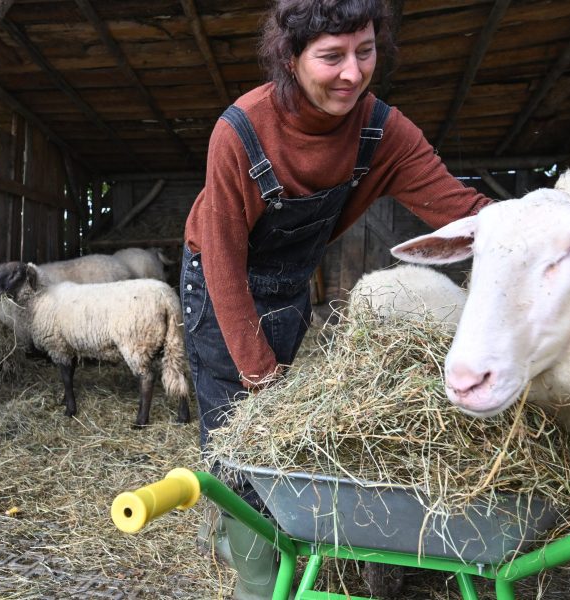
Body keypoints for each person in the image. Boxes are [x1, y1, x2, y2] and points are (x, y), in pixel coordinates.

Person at [180, 1, 491, 595]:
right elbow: (222, 257)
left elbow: (464, 210)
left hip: (289, 284)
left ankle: (238, 526)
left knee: (271, 437)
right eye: (331, 57)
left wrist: (555, 220)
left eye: (365, 51)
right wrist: (256, 368)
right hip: (219, 283)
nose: (352, 72)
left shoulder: (382, 130)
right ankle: (252, 577)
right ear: (290, 59)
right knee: (239, 439)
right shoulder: (241, 131)